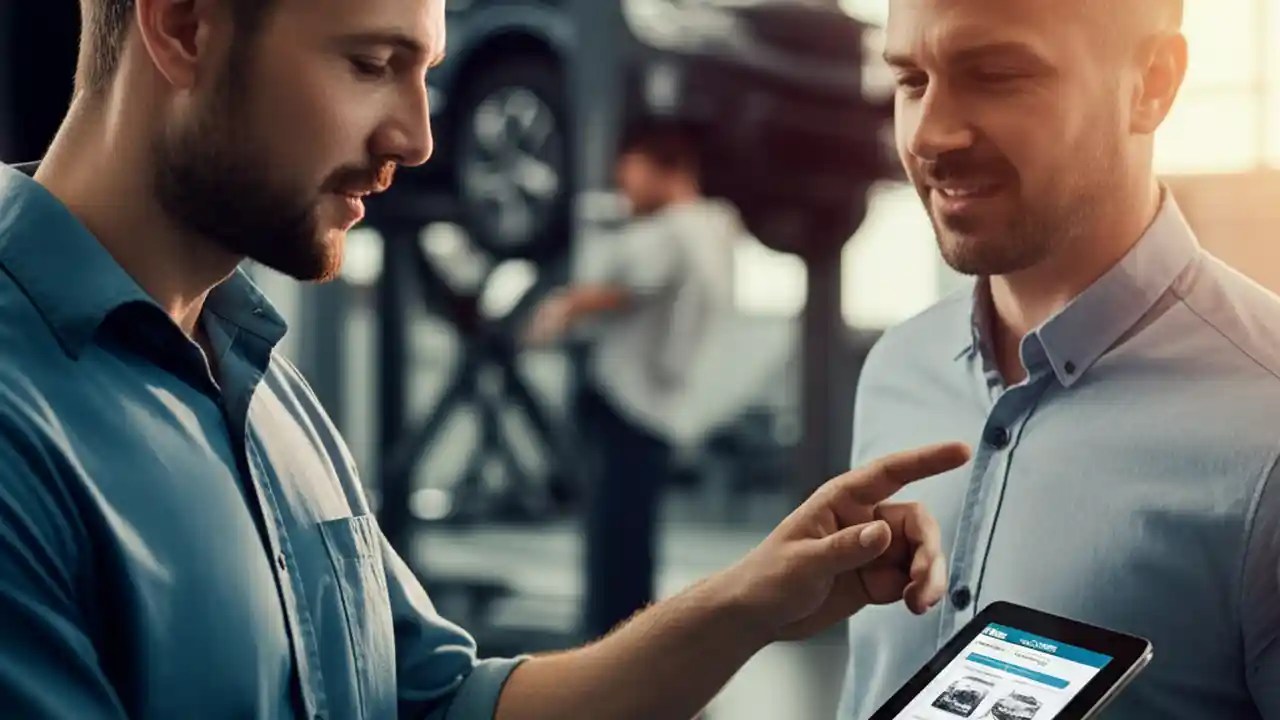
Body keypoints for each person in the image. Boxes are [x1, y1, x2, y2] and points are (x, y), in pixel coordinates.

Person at [0, 0, 973, 717]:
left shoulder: (259, 387)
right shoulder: (18, 420)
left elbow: (446, 705)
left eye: (422, 72)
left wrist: (748, 602)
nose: (418, 138)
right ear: (183, 26)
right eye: (370, 62)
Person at [838, 0, 1280, 718]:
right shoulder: (898, 368)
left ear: (1153, 84)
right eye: (911, 80)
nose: (928, 136)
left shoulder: (1267, 424)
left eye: (998, 74)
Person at [526, 119, 745, 639]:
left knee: (612, 544)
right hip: (664, 408)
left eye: (631, 175)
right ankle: (635, 647)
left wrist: (559, 310)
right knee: (634, 539)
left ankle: (609, 653)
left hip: (628, 405)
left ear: (661, 170)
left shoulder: (672, 232)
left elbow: (619, 288)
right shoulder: (716, 230)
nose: (624, 188)